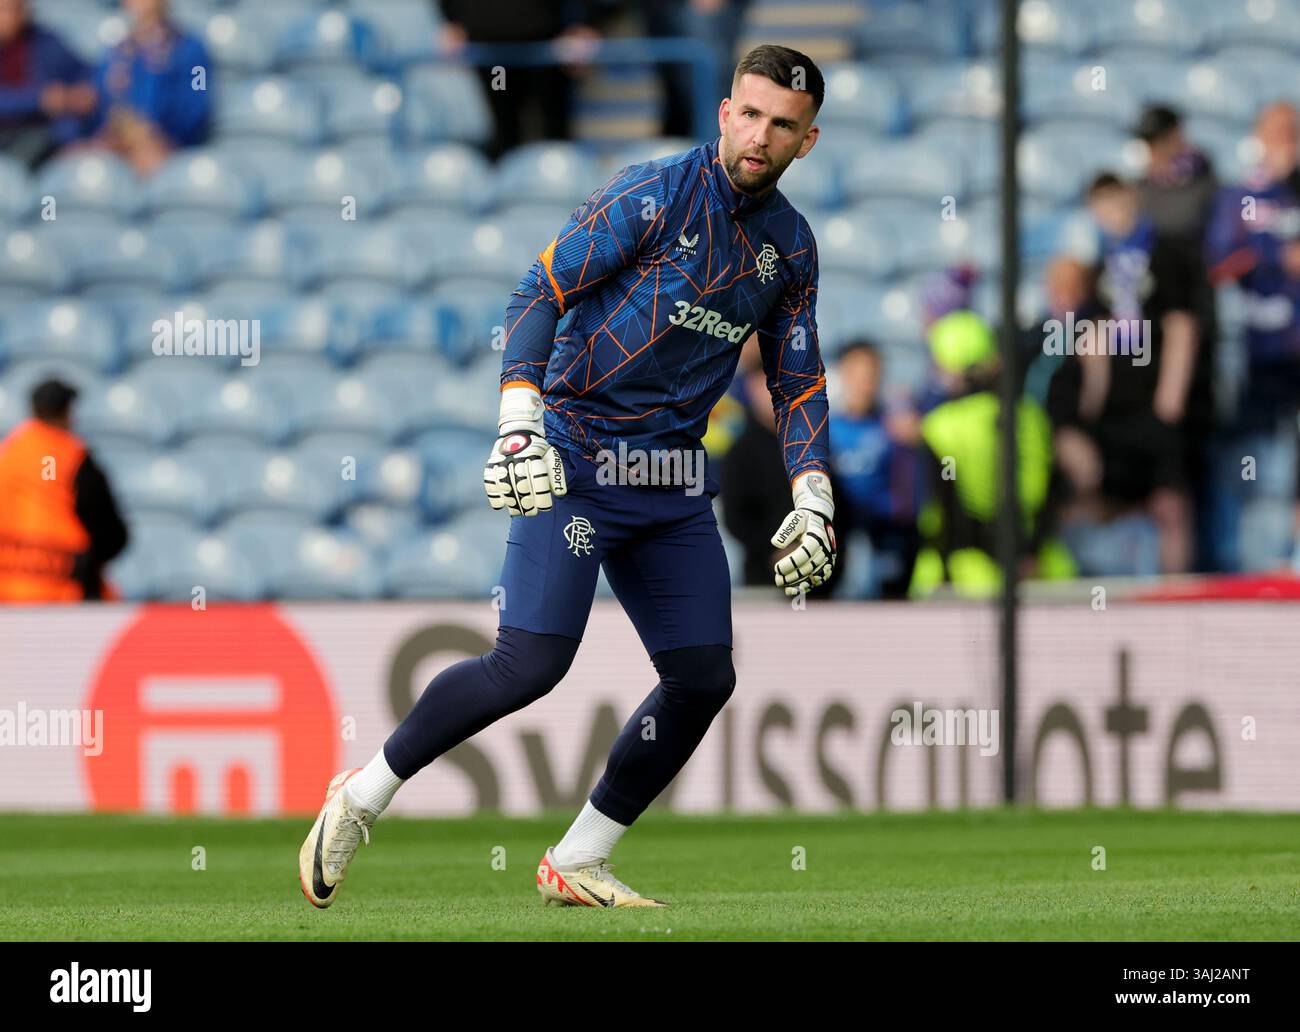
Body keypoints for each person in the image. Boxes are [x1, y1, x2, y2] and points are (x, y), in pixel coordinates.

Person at [300, 45, 834, 909]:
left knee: (704, 678)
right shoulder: (652, 193)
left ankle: (579, 856)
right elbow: (537, 292)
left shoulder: (793, 248)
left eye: (783, 125)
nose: (760, 136)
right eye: (750, 113)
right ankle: (362, 796)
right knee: (529, 665)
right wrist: (519, 420)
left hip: (669, 479)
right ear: (724, 111)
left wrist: (814, 490)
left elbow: (798, 379)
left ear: (808, 141)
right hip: (578, 456)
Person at [909, 311, 1074, 598]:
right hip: (1041, 565)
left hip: (965, 571)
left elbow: (950, 515)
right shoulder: (1033, 417)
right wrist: (1029, 554)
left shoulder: (938, 426)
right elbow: (1050, 497)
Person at [1084, 171, 1198, 573]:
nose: (1110, 213)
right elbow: (1096, 333)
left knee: (1168, 503)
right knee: (1112, 502)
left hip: (1155, 396)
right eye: (1101, 206)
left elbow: (1180, 326)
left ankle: (1173, 591)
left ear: (1131, 199)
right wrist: (1093, 398)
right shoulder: (1104, 264)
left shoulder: (1163, 253)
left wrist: (1170, 395)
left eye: (1115, 202)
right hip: (1119, 400)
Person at [1206, 102, 1300, 570]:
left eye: (1293, 131)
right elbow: (1220, 263)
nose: (1287, 139)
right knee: (1253, 459)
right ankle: (1248, 559)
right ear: (1258, 135)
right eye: (1278, 131)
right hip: (1256, 353)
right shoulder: (1241, 196)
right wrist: (1278, 257)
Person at [721, 347, 839, 600]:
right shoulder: (740, 451)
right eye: (765, 384)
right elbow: (736, 518)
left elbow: (836, 502)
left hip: (822, 575)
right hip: (765, 578)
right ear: (751, 389)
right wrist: (779, 548)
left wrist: (822, 544)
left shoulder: (816, 444)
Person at [0, 379, 128, 603]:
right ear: (66, 412)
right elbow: (111, 536)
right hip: (65, 597)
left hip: (8, 597)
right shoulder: (74, 457)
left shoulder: (7, 454)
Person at [436, 0, 605, 161]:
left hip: (545, 51)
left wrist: (585, 24)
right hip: (495, 60)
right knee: (504, 126)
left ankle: (560, 184)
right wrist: (452, 20)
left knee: (553, 130)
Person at [827, 340, 921, 599]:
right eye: (858, 374)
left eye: (872, 374)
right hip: (841, 535)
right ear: (844, 375)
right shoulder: (827, 430)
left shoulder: (896, 428)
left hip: (887, 534)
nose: (866, 382)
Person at [81, 0, 211, 176]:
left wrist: (153, 132)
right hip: (116, 141)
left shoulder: (191, 49)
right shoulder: (117, 51)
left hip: (169, 146)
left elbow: (196, 104)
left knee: (149, 162)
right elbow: (101, 99)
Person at [0, 0, 95, 169]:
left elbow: (84, 74)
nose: (11, 16)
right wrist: (39, 99)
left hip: (40, 134)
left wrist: (80, 94)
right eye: (5, 10)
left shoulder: (45, 41)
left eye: (17, 8)